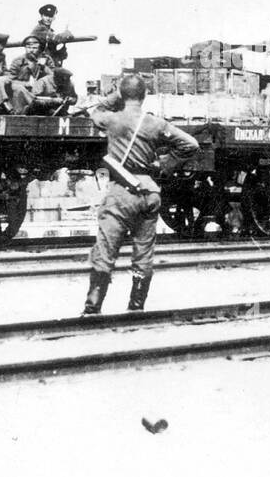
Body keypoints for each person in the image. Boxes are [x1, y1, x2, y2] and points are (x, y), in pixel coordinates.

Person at [76, 72, 200, 314]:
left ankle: (92, 309)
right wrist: (164, 165)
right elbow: (191, 144)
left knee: (105, 250)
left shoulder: (113, 119)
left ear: (123, 95)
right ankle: (136, 308)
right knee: (144, 251)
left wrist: (115, 96)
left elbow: (96, 111)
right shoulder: (155, 123)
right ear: (145, 96)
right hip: (150, 190)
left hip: (121, 191)